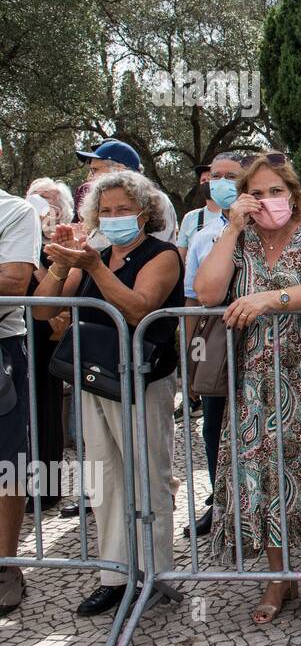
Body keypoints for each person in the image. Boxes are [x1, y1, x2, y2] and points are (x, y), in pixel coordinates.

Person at [193, 154, 301, 625]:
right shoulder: (237, 242)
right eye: (256, 193)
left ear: (293, 194)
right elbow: (206, 292)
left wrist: (269, 298)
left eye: (275, 191)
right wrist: (231, 230)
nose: (267, 201)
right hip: (251, 381)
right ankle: (278, 576)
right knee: (258, 475)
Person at [33, 171, 183, 617]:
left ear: (144, 213)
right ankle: (115, 576)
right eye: (107, 210)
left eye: (124, 209)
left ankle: (155, 574)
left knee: (147, 475)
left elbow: (139, 307)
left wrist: (93, 267)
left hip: (142, 380)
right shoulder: (94, 254)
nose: (115, 217)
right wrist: (62, 264)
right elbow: (43, 309)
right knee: (105, 479)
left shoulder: (163, 254)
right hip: (93, 376)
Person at [180, 151, 243, 537]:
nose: (220, 182)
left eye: (230, 175)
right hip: (218, 345)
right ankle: (220, 506)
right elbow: (191, 301)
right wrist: (191, 361)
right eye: (215, 175)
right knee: (215, 425)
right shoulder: (203, 237)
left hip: (265, 344)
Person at [23, 180, 74, 513]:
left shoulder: (56, 245)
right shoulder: (18, 236)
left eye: (46, 201)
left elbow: (50, 292)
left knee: (45, 405)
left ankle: (48, 487)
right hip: (19, 332)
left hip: (45, 334)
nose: (39, 206)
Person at [0, 187, 39, 616]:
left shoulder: (13, 210)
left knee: (6, 462)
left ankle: (6, 565)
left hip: (3, 348)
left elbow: (12, 281)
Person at [75, 141, 178, 244]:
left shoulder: (154, 199)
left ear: (119, 170)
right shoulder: (107, 199)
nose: (90, 177)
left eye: (95, 170)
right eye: (106, 211)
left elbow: (152, 248)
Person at [178, 164, 217, 261]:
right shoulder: (190, 218)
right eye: (203, 180)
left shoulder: (235, 216)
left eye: (210, 179)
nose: (206, 183)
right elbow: (180, 257)